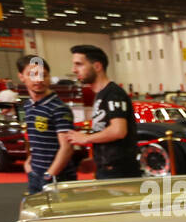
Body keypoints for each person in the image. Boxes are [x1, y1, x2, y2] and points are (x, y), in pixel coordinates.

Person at [62, 45, 140, 180]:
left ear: (97, 66)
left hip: (119, 173)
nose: (74, 70)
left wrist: (85, 138)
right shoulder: (101, 94)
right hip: (108, 170)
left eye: (79, 64)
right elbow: (105, 131)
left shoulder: (113, 93)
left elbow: (118, 131)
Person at [20, 56, 76, 194]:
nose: (39, 80)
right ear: (21, 77)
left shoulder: (59, 108)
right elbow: (35, 139)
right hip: (35, 175)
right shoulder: (28, 106)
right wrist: (29, 164)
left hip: (58, 178)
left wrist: (49, 175)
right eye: (32, 75)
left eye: (43, 75)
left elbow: (67, 148)